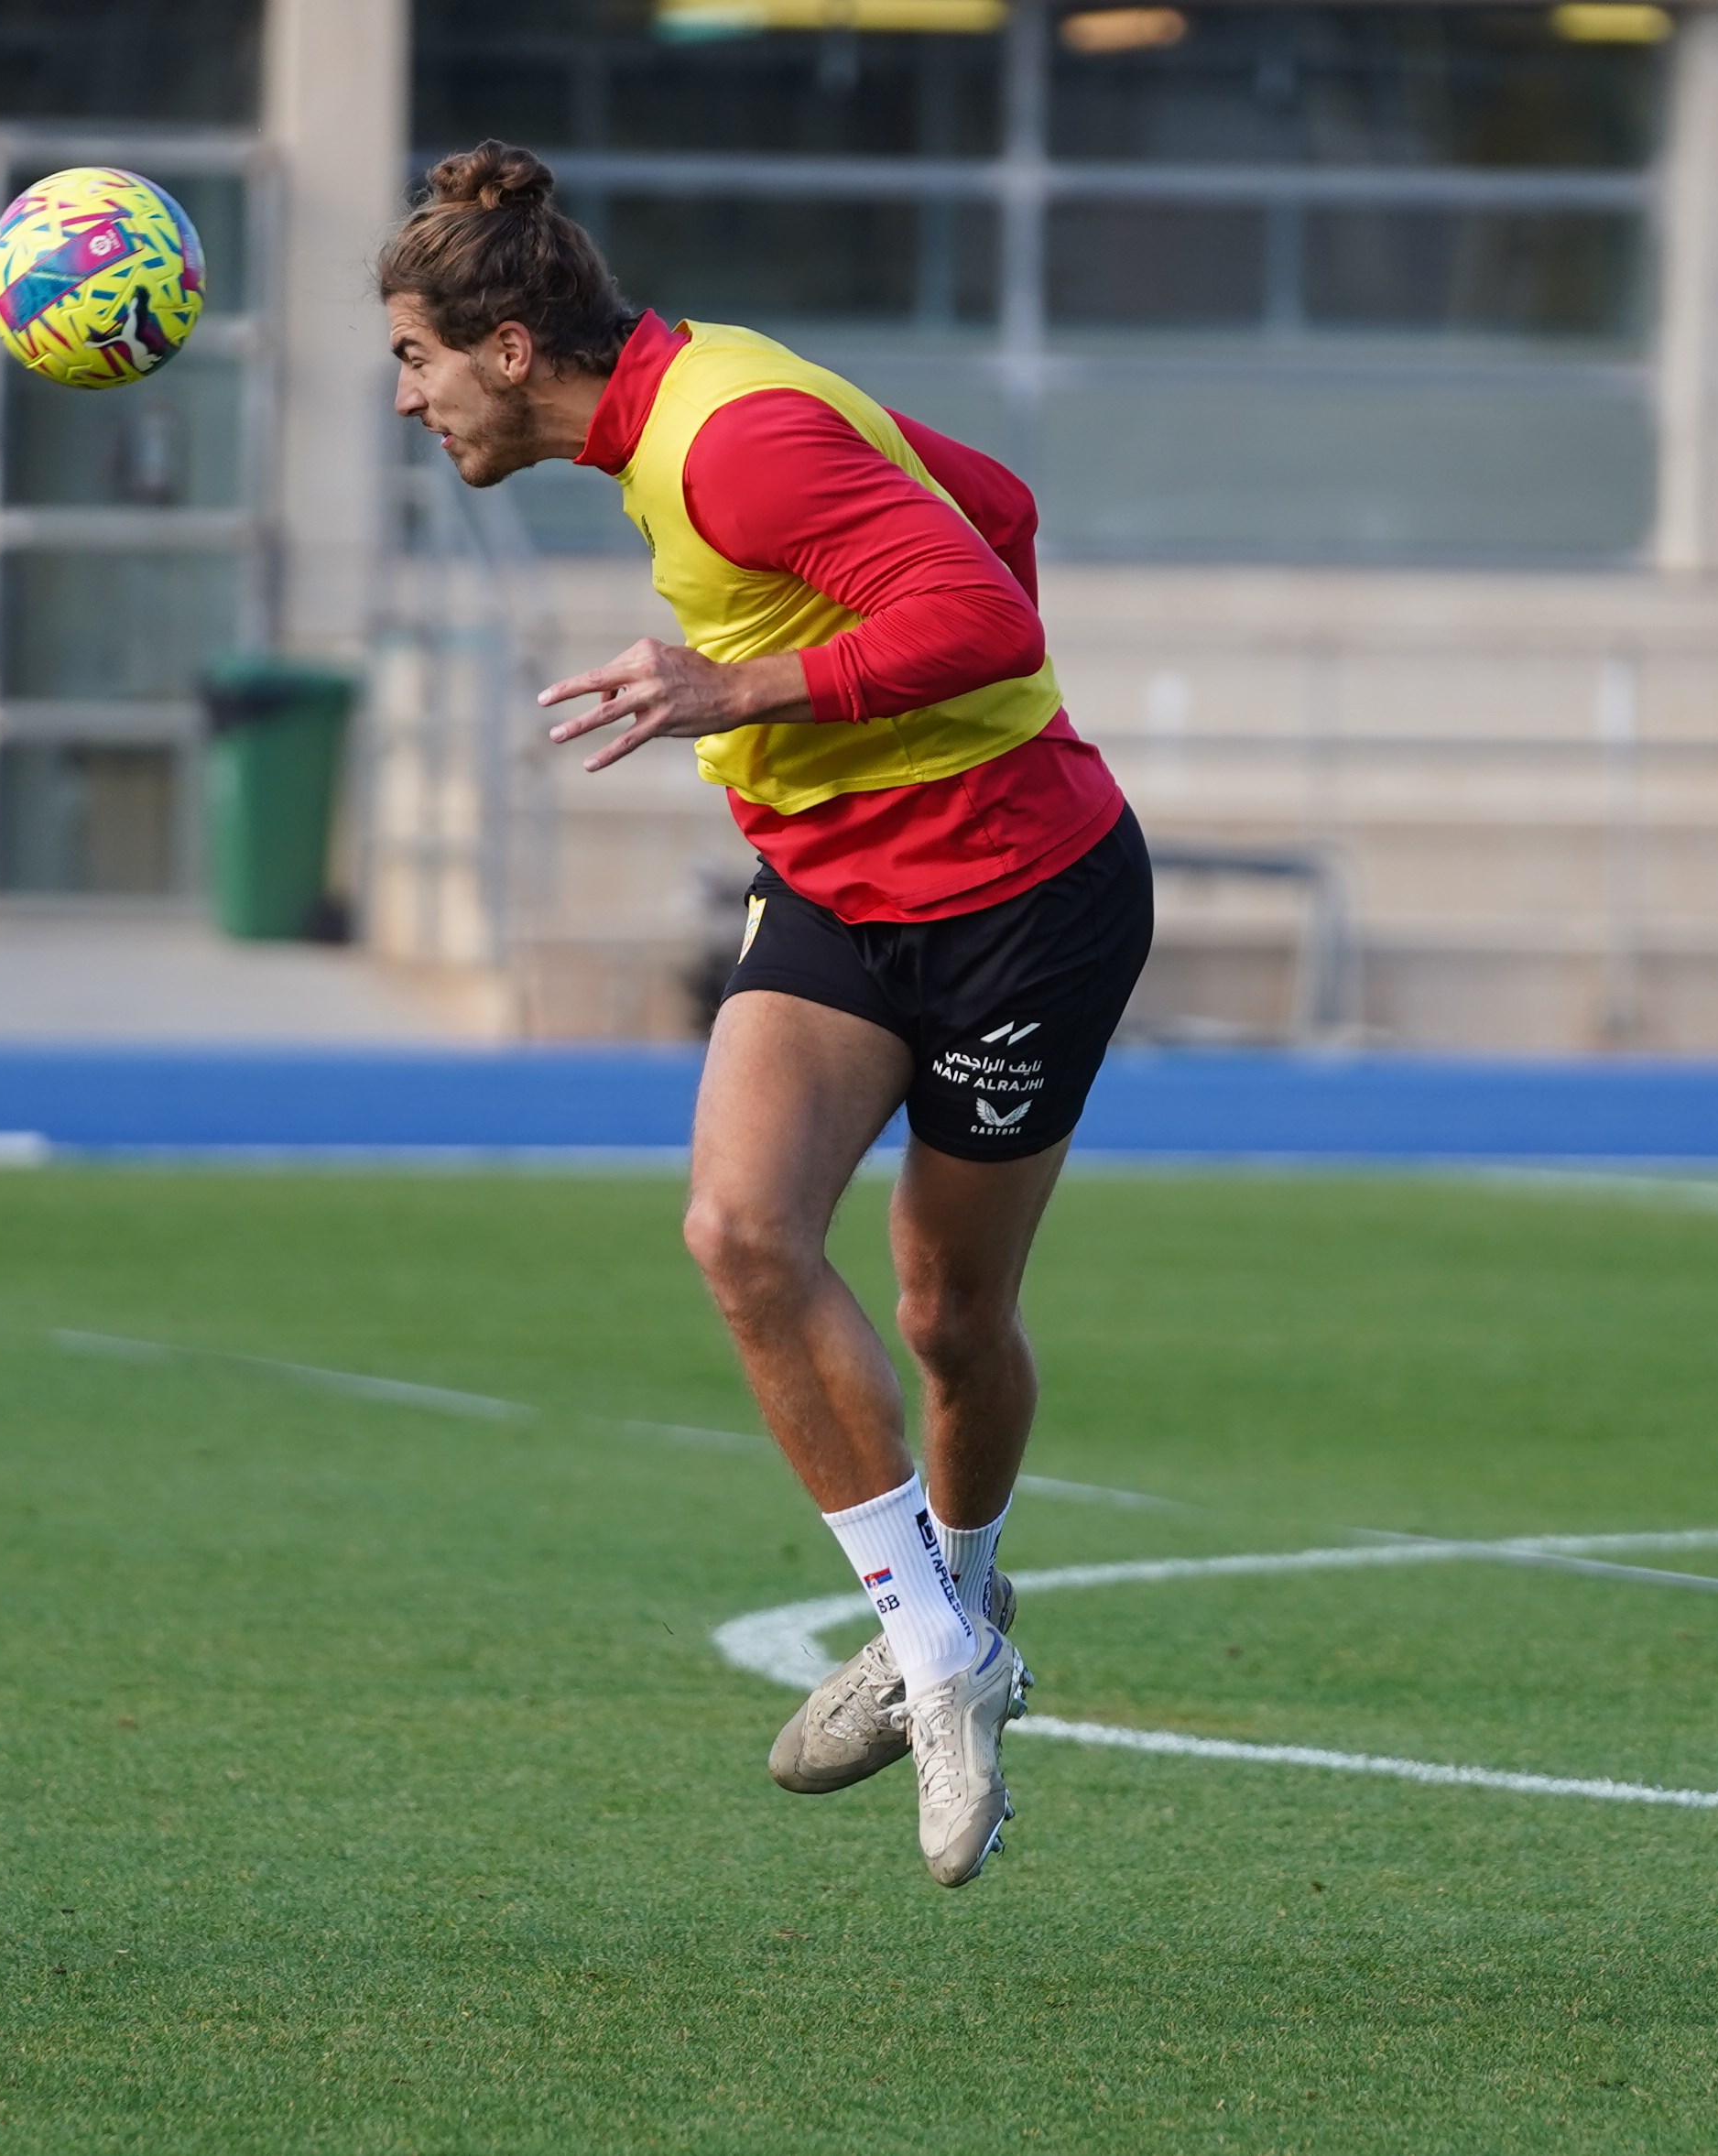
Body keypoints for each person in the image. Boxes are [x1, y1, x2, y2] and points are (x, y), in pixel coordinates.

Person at [380, 144, 1152, 1889]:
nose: (408, 400)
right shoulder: (691, 402)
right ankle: (944, 1654)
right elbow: (996, 500)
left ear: (509, 346)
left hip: (1020, 901)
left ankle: (953, 1598)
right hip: (833, 885)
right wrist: (833, 748)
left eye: (414, 360)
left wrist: (737, 684)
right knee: (737, 1225)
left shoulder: (727, 433)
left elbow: (978, 608)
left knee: (950, 1317)